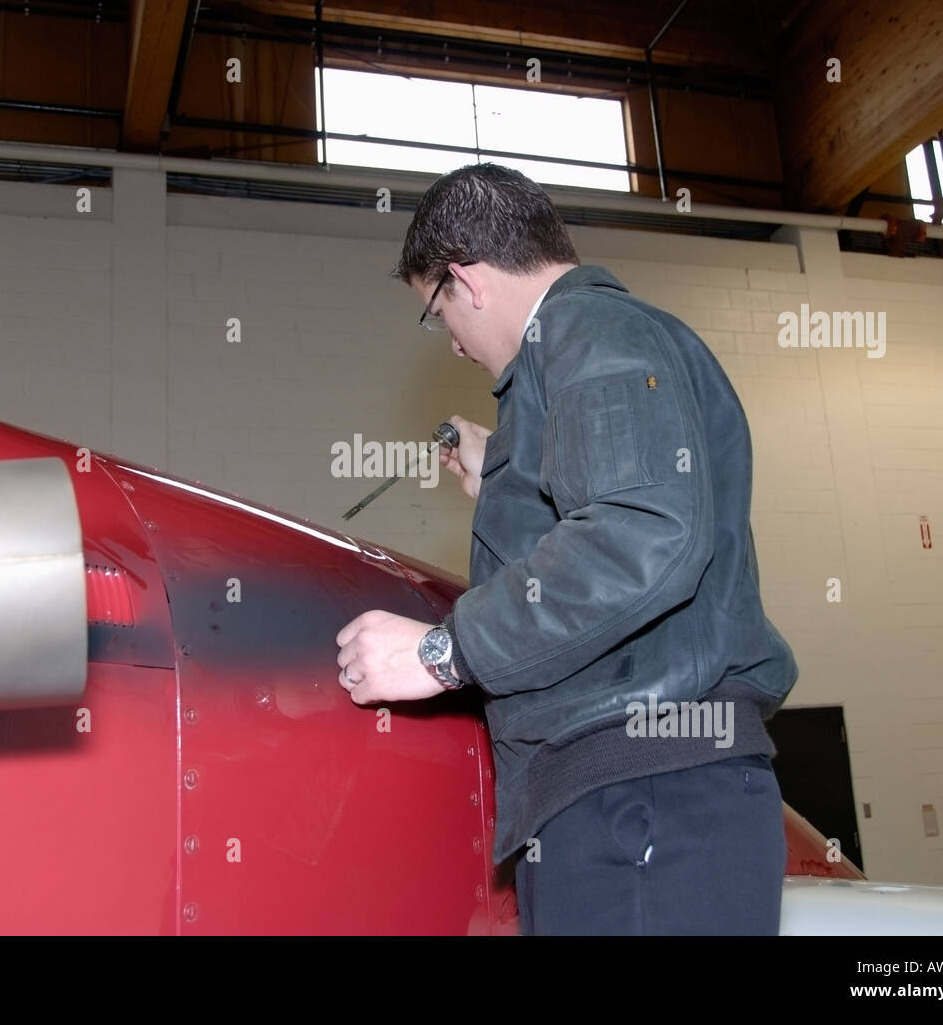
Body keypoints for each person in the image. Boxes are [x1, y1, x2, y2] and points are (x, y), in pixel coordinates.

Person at [335, 163, 798, 935]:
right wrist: (512, 472)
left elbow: (639, 535)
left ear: (468, 280)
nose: (450, 344)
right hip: (644, 794)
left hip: (642, 795)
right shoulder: (588, 346)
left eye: (437, 312)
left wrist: (441, 654)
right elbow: (632, 509)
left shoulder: (590, 332)